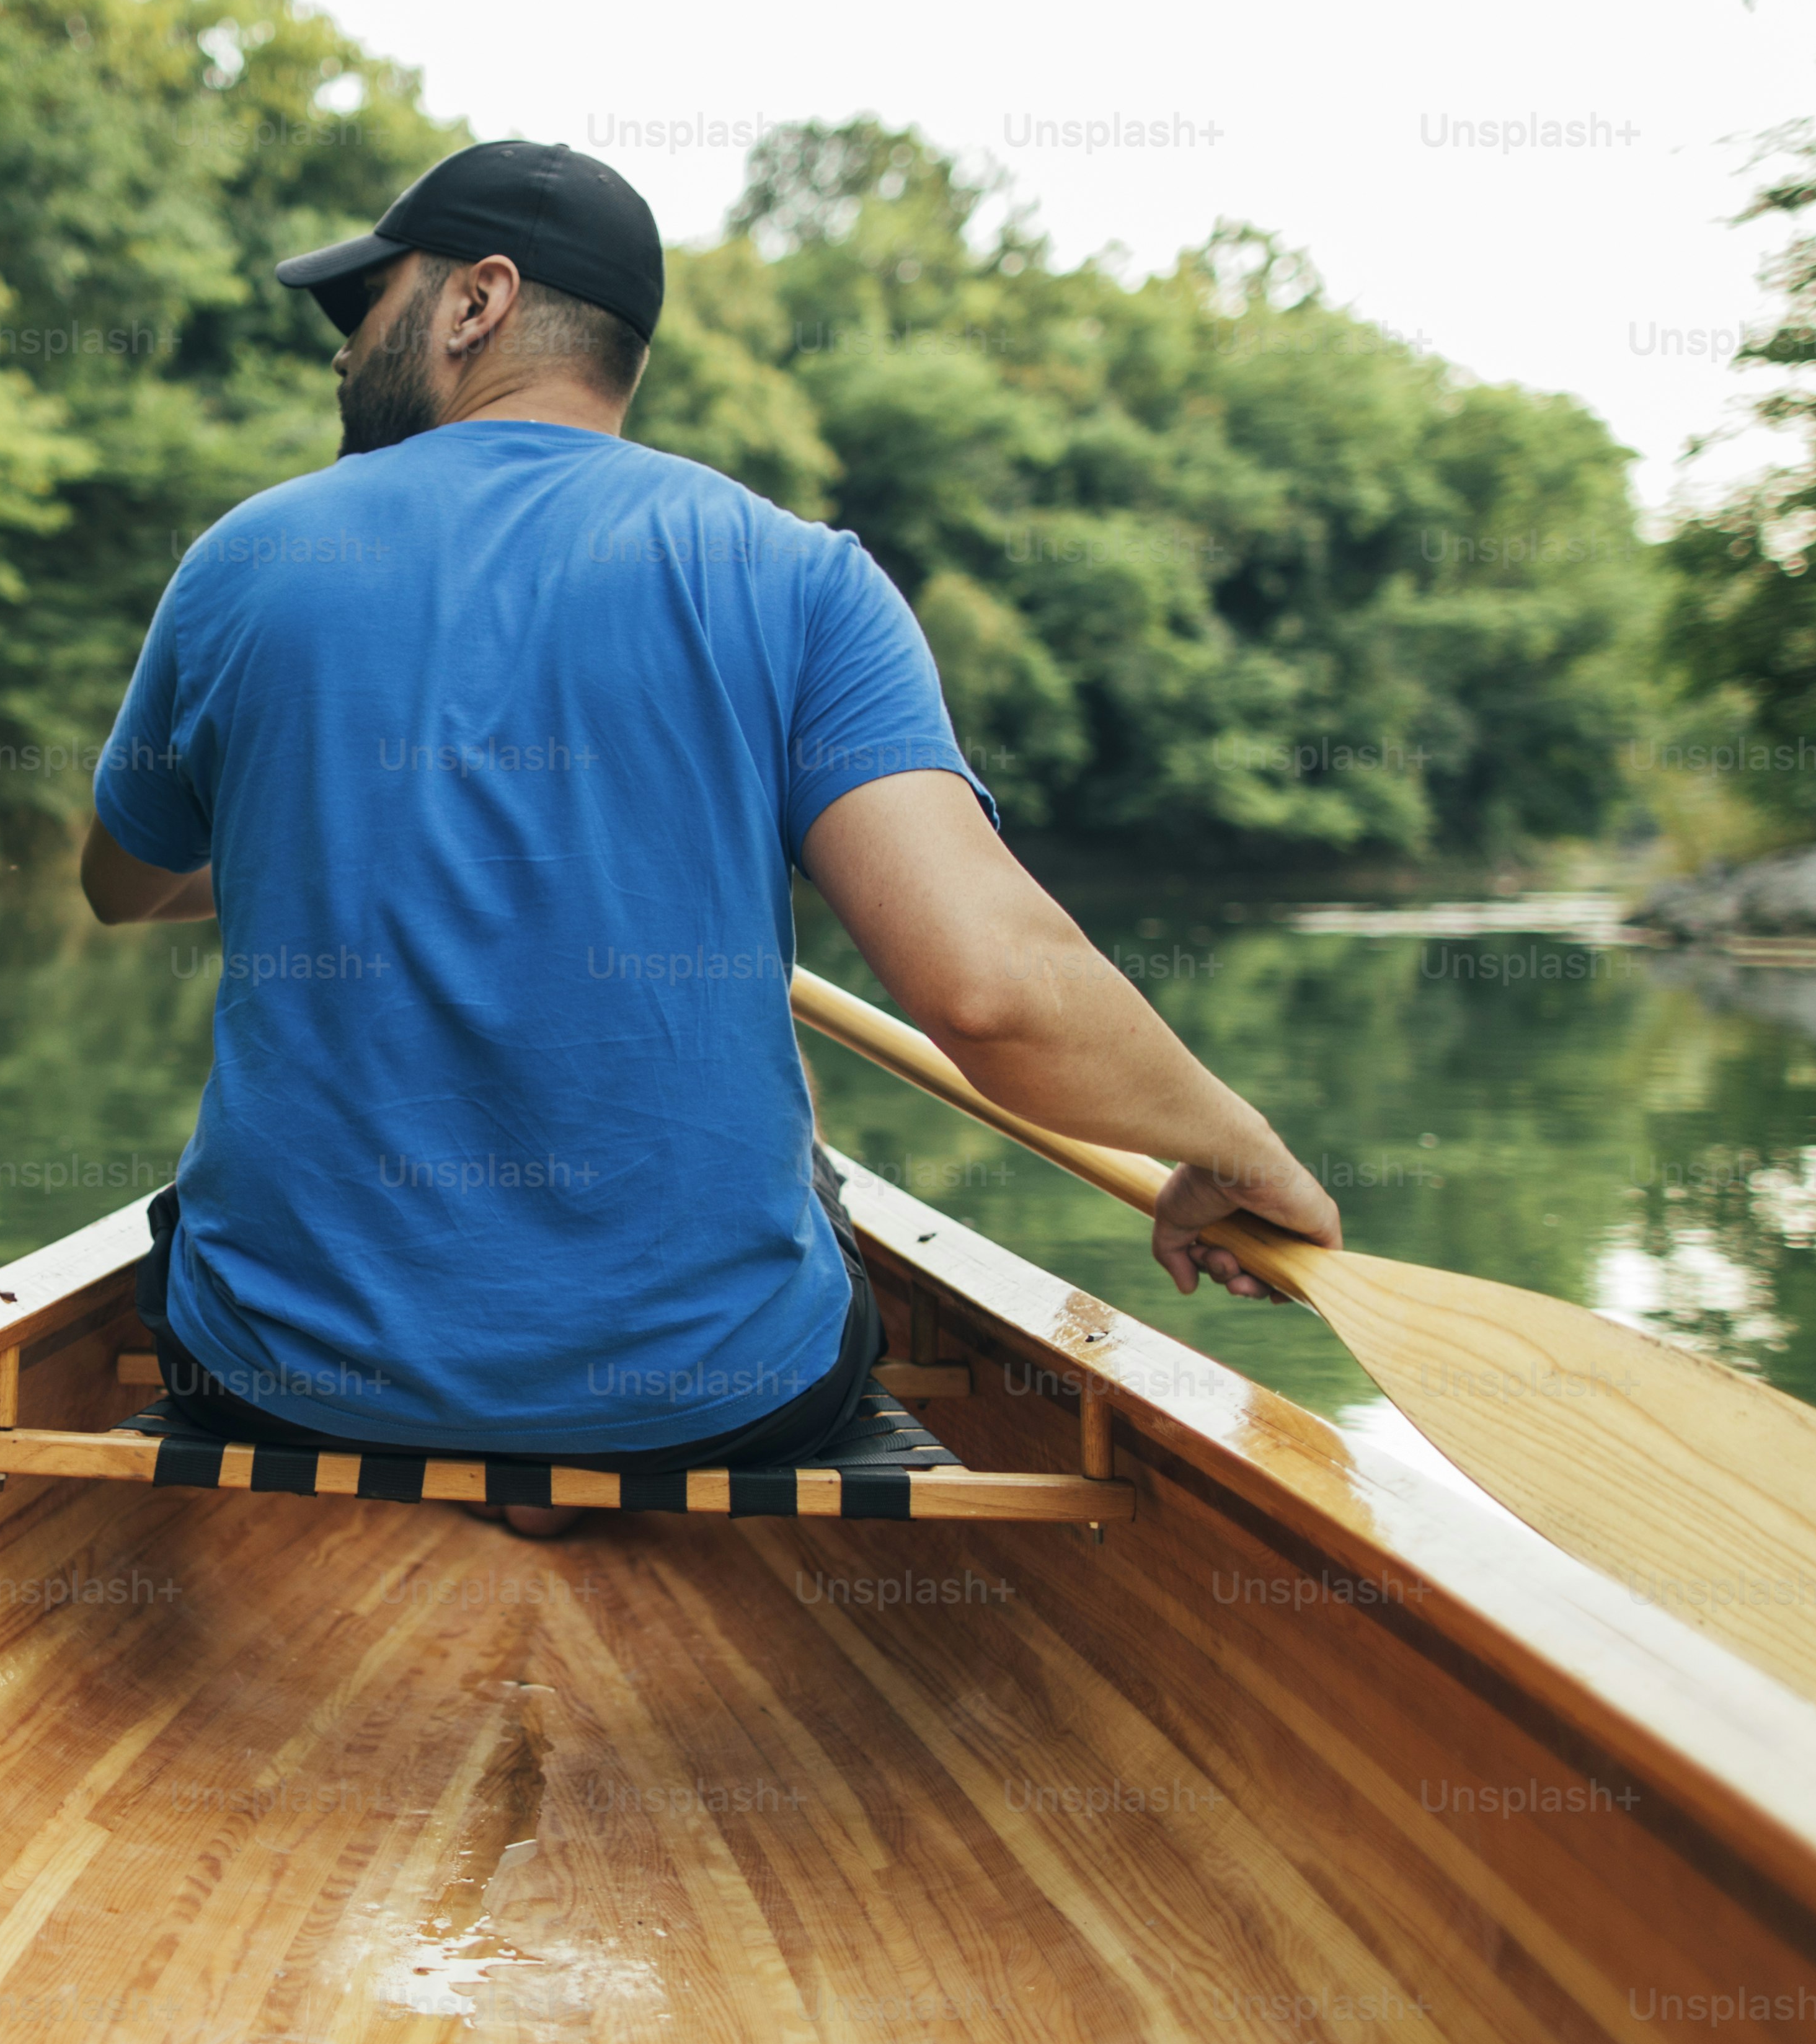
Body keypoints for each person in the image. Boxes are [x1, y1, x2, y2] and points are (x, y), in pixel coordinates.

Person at [81, 139, 1339, 1533]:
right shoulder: (803, 579)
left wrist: (296, 832)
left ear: (476, 301)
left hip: (285, 1380)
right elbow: (987, 988)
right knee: (806, 1179)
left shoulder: (247, 559)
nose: (341, 350)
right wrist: (1232, 1142)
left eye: (367, 305)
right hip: (719, 1397)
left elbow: (122, 881)